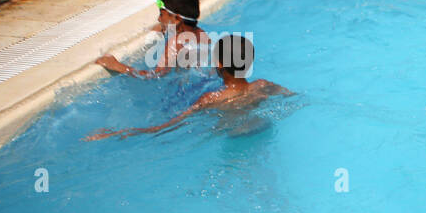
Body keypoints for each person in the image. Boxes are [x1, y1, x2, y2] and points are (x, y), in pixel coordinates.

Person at [85, 35, 293, 140]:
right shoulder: (263, 85)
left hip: (235, 138)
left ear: (218, 64)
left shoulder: (211, 99)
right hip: (262, 129)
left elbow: (165, 127)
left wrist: (117, 133)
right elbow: (292, 97)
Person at [97, 0, 210, 78]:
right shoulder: (201, 33)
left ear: (177, 19)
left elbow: (155, 76)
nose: (158, 19)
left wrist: (118, 66)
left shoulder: (175, 43)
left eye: (161, 15)